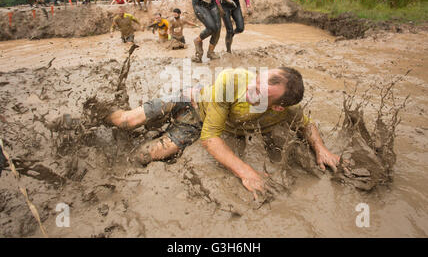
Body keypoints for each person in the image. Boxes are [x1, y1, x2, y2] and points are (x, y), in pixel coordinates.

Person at [104, 67, 340, 199]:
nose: (250, 88)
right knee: (126, 120)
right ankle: (99, 113)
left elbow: (307, 125)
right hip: (190, 98)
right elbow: (210, 139)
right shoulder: (231, 81)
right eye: (255, 81)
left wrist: (321, 149)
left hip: (195, 124)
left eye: (259, 92)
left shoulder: (286, 111)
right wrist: (246, 171)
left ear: (278, 106)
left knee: (148, 155)